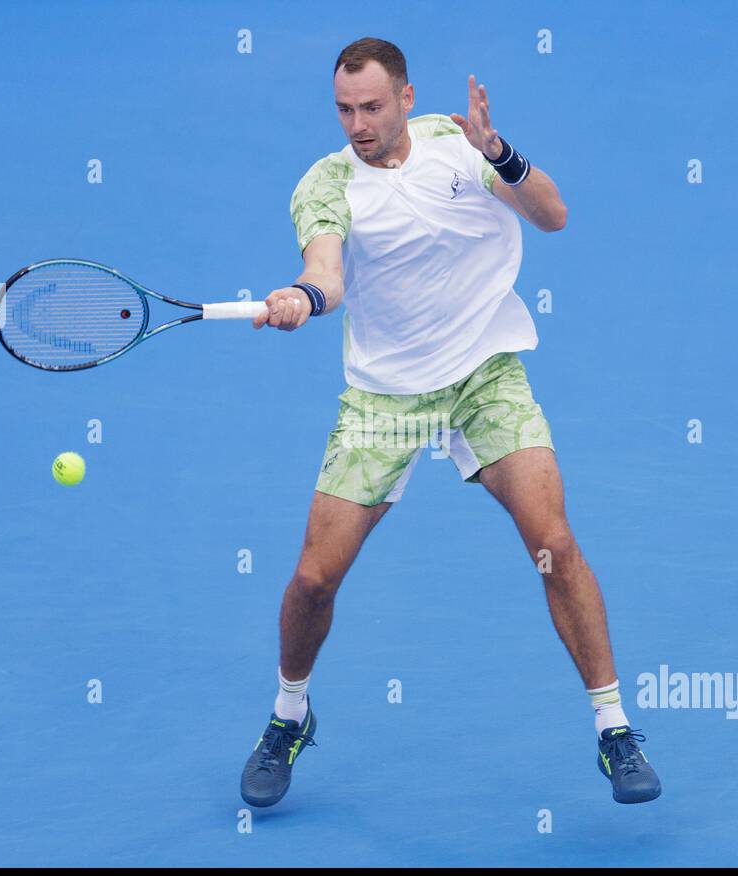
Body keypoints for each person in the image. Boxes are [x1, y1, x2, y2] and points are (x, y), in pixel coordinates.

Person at [240, 37, 662, 809]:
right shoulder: (326, 183)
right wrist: (304, 295)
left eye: (371, 106)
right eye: (343, 109)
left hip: (483, 373)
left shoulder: (459, 145)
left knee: (555, 542)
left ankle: (614, 728)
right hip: (386, 398)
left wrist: (497, 151)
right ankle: (289, 714)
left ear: (406, 97)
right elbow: (325, 269)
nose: (357, 124)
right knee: (313, 578)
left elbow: (555, 215)